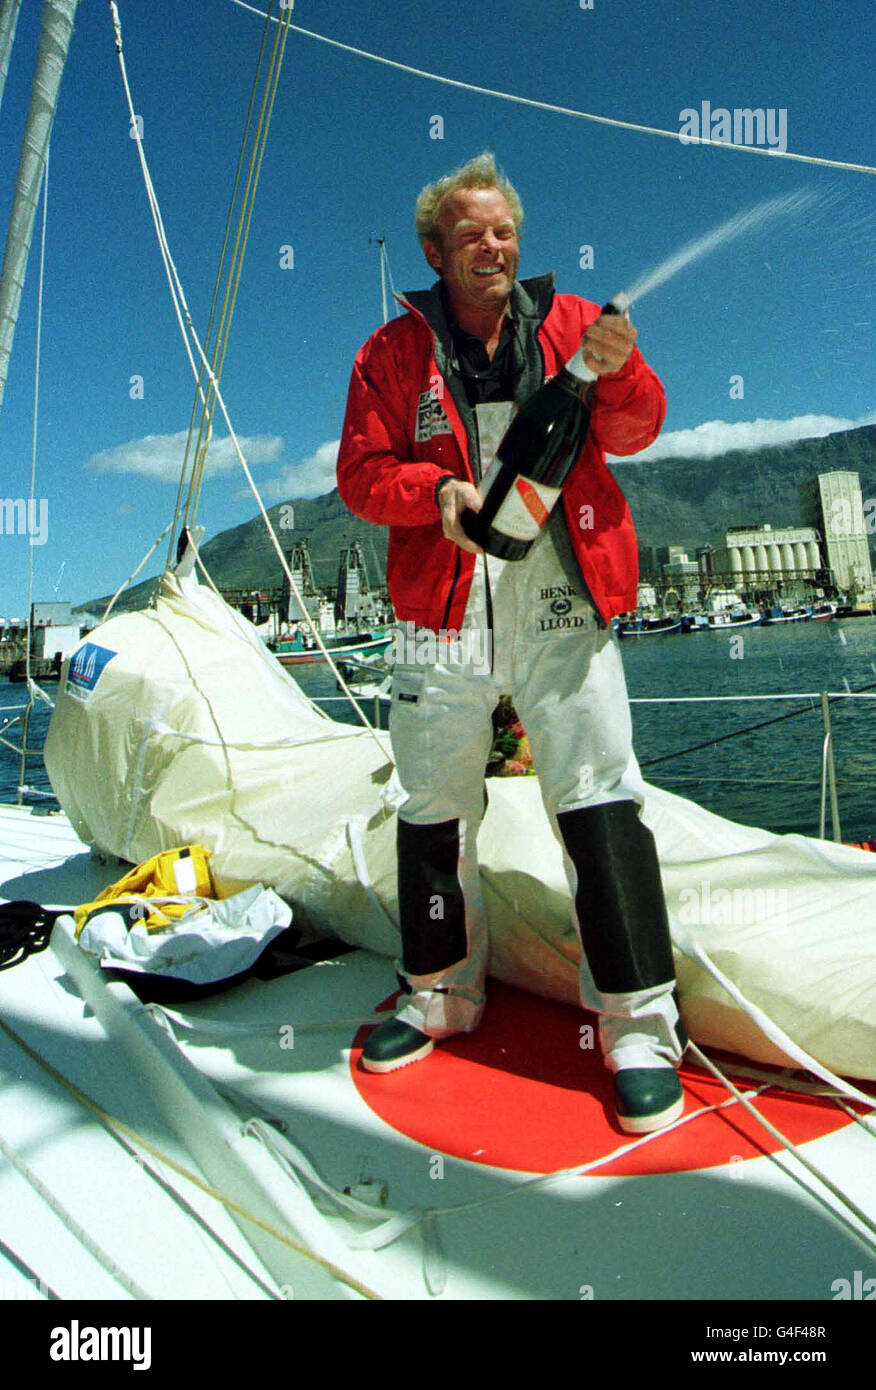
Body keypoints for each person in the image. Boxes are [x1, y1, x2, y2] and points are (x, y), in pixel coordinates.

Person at [336, 153, 687, 1134]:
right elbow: (361, 476)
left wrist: (620, 372)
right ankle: (440, 994)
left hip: (561, 591)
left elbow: (639, 427)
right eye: (471, 233)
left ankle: (638, 1026)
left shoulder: (576, 324)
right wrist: (433, 495)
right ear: (436, 250)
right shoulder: (389, 353)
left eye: (504, 230)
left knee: (600, 795)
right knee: (434, 806)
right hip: (442, 605)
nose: (492, 245)